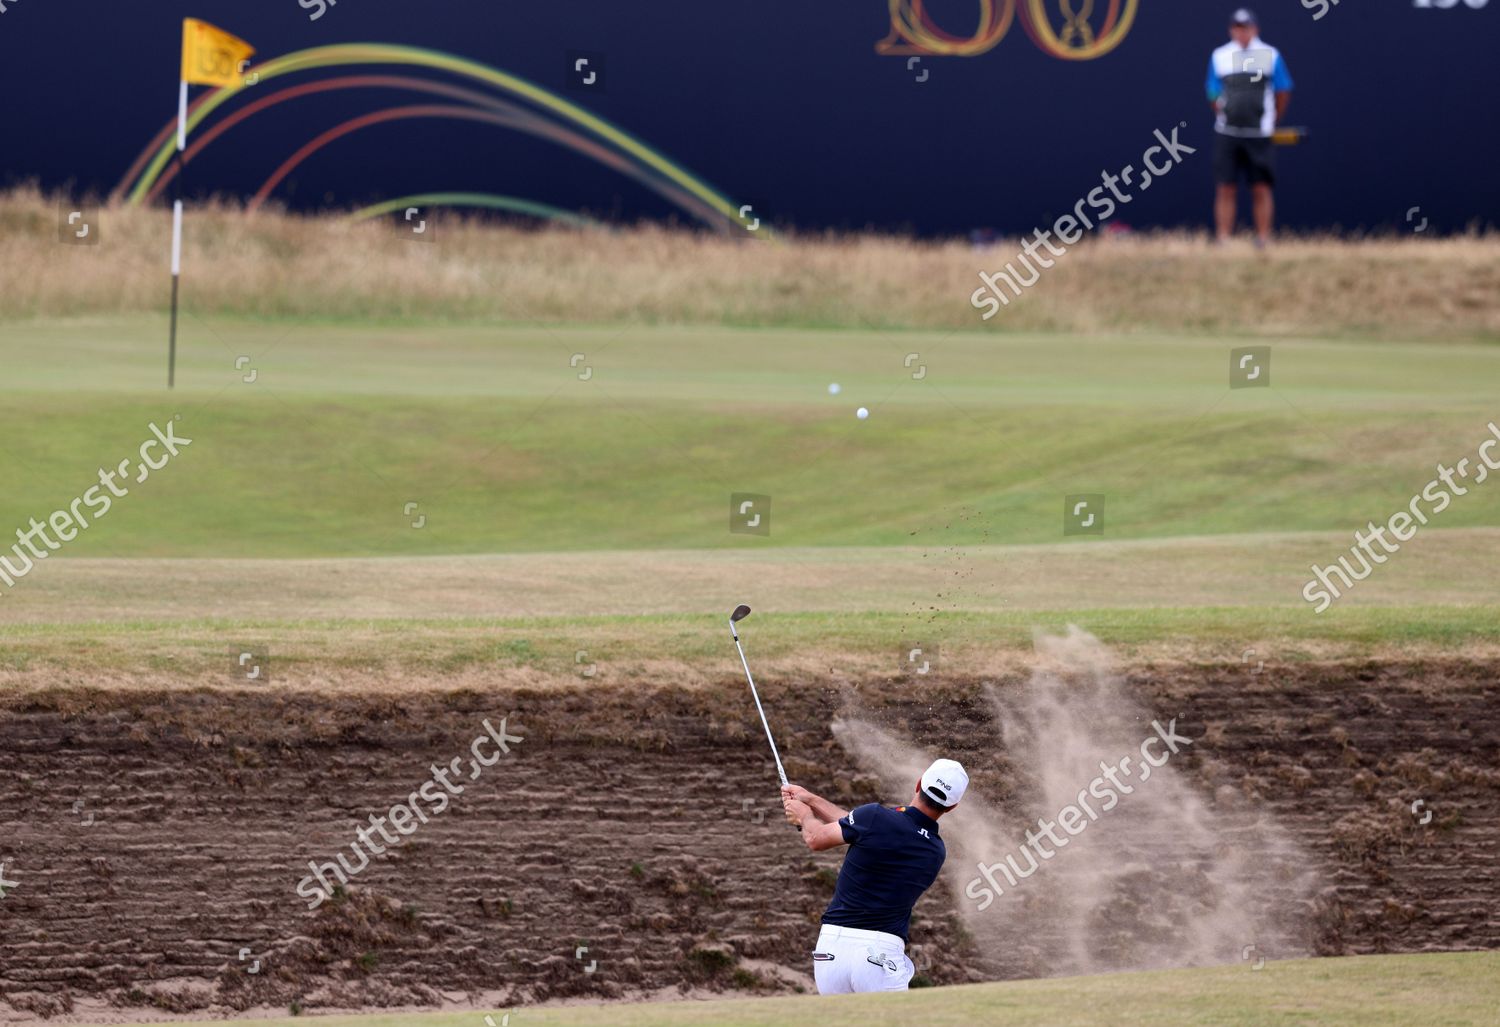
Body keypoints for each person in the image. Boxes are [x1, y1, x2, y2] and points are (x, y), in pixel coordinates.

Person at [781, 758, 968, 994]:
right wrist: (811, 799)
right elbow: (861, 827)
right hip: (879, 956)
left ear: (919, 784)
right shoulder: (935, 850)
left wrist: (804, 816)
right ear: (952, 806)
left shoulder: (874, 818)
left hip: (831, 952)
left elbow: (817, 838)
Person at [1206, 9, 1294, 246]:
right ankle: (1223, 238)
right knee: (1226, 187)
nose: (1241, 32)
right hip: (1228, 133)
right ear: (1230, 30)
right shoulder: (1220, 55)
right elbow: (1212, 90)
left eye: (1246, 27)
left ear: (1255, 29)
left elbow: (1283, 89)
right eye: (1237, 27)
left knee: (1261, 187)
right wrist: (1225, 111)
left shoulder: (1270, 54)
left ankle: (1263, 238)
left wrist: (1272, 118)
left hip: (1259, 134)